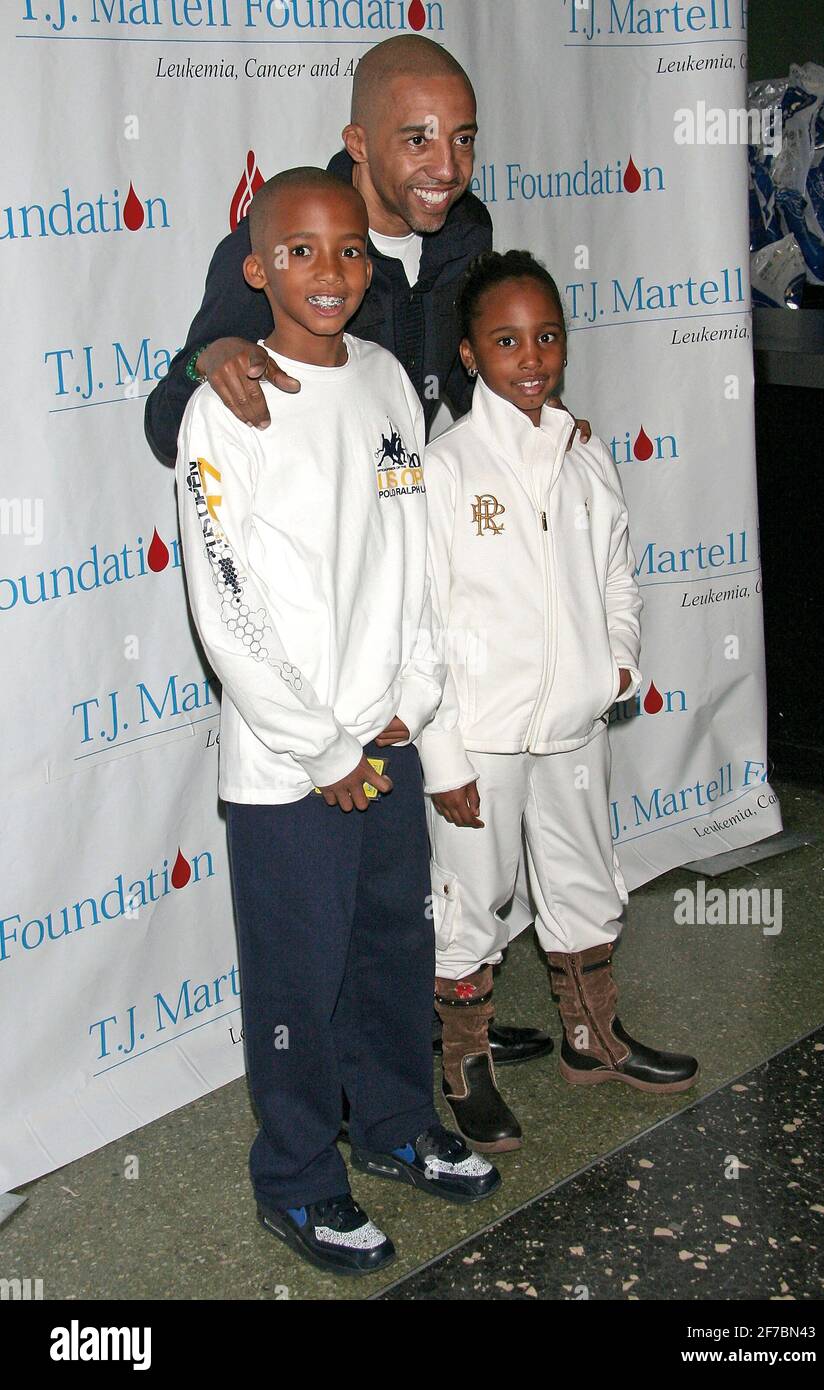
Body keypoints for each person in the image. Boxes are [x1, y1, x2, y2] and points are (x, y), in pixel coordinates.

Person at [149, 33, 570, 1066]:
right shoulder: (300, 233)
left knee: (448, 829)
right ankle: (339, 1077)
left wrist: (546, 429)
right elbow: (177, 417)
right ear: (357, 142)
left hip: (433, 588)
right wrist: (213, 353)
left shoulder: (468, 227)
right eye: (416, 139)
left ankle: (444, 1013)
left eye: (462, 139)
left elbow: (477, 375)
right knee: (333, 879)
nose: (444, 165)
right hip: (326, 624)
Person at [174, 168, 500, 1277]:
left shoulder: (385, 387)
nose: (331, 273)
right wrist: (318, 748)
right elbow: (225, 607)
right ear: (256, 269)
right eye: (301, 252)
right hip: (289, 770)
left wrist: (406, 705)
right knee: (297, 986)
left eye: (350, 251)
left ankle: (397, 1125)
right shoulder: (225, 410)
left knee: (391, 951)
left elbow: (411, 559)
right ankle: (301, 1180)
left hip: (387, 741)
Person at [418, 250, 700, 1153]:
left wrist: (615, 663)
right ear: (470, 355)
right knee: (475, 899)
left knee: (583, 879)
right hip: (482, 740)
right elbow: (420, 623)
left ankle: (594, 1038)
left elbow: (617, 569)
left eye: (547, 337)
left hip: (573, 724)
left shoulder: (587, 454)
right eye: (507, 340)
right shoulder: (446, 469)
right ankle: (466, 1066)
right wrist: (444, 753)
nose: (531, 357)